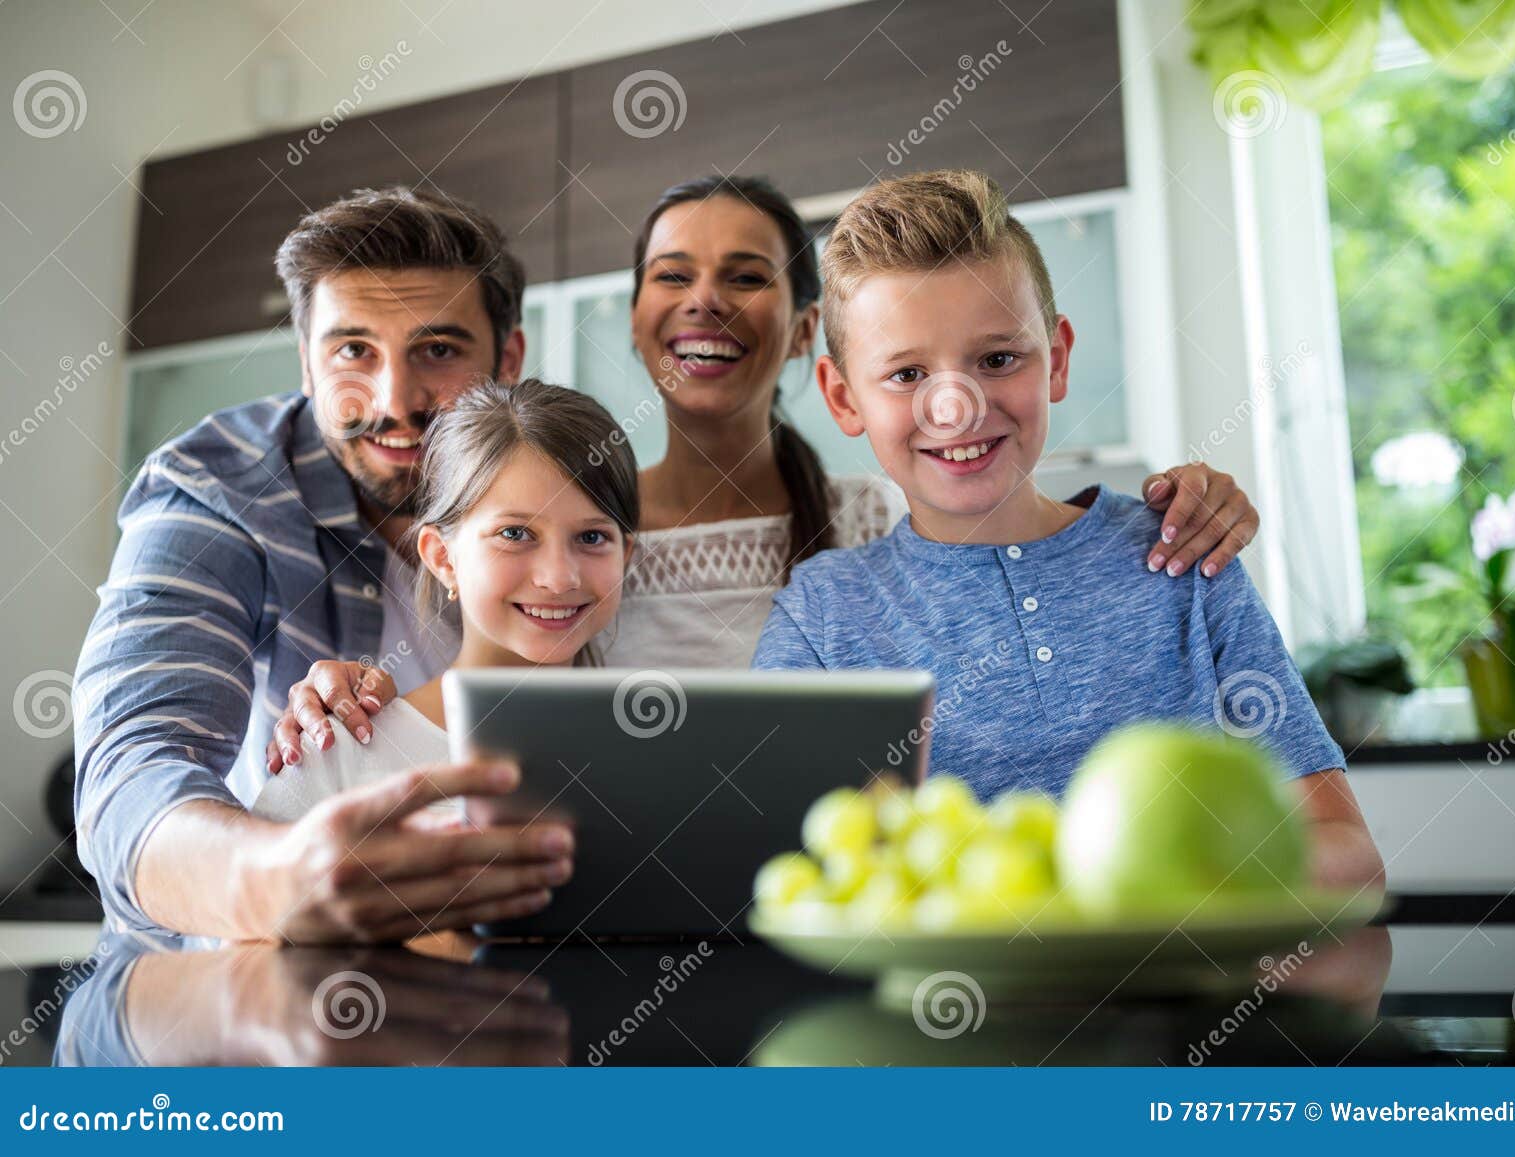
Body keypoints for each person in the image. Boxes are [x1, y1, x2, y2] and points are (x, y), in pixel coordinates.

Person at [266, 175, 1265, 768]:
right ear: (636, 320)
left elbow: (1014, 563)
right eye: (672, 275)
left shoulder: (878, 522)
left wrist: (1169, 508)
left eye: (746, 276)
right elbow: (482, 689)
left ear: (803, 335)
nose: (705, 300)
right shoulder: (575, 540)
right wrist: (355, 689)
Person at [750, 170, 1384, 892]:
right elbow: (786, 873)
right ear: (843, 398)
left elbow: (1348, 854)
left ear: (1057, 360)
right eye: (906, 374)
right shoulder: (823, 619)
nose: (956, 408)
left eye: (997, 359)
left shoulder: (1184, 556)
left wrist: (1127, 891)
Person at [72, 188, 575, 942]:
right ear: (307, 363)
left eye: (439, 350)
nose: (394, 401)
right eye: (353, 351)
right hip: (256, 968)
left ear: (508, 360)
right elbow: (133, 768)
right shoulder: (220, 489)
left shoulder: (558, 491)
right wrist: (281, 881)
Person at [253, 378, 637, 836]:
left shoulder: (650, 748)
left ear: (625, 555)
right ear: (442, 558)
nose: (558, 578)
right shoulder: (340, 752)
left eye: (592, 537)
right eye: (514, 534)